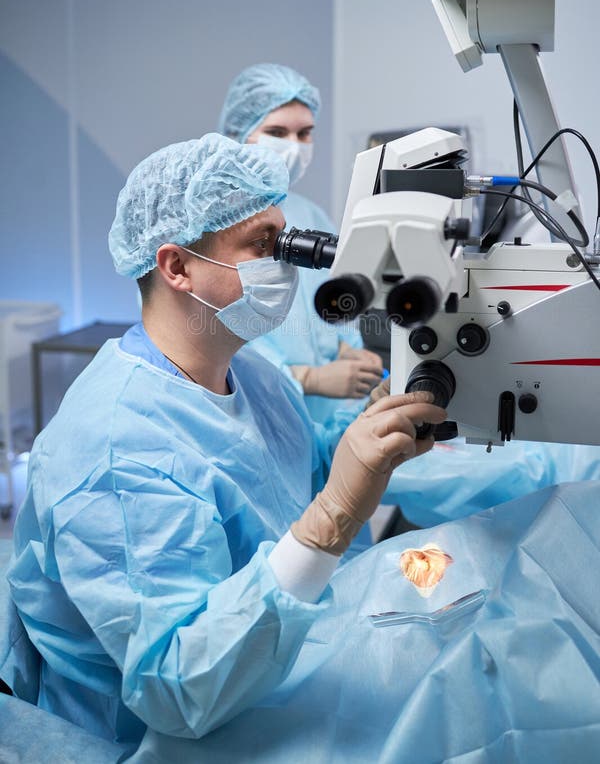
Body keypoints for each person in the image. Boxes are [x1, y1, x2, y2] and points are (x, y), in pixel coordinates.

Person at [7, 134, 444, 749]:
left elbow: (294, 470)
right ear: (177, 267)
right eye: (263, 246)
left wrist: (364, 444)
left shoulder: (254, 373)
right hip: (159, 735)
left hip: (270, 664)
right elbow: (179, 688)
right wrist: (334, 514)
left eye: (286, 241)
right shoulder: (115, 450)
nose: (285, 265)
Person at [218, 63, 384, 427]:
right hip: (253, 413)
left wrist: (348, 350)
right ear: (236, 134)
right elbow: (206, 326)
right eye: (277, 132)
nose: (293, 146)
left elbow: (332, 297)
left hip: (322, 419)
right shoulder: (213, 221)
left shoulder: (308, 213)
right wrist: (306, 378)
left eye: (304, 133)